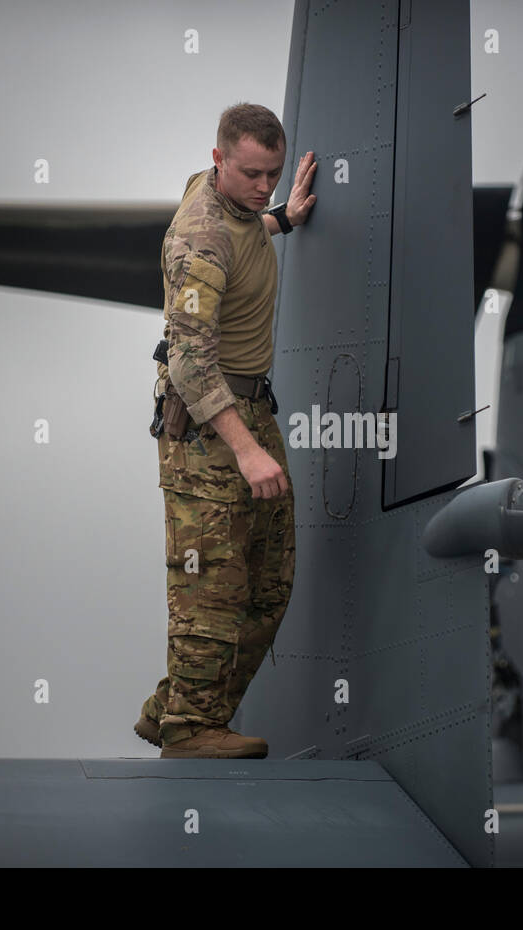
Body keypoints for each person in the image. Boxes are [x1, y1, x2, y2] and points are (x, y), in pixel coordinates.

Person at [135, 103, 317, 758]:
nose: (263, 184)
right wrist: (246, 452)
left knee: (270, 579)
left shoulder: (231, 205)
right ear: (219, 161)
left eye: (272, 173)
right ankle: (188, 730)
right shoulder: (200, 240)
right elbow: (188, 361)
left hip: (250, 409)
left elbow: (247, 225)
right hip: (206, 428)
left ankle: (177, 706)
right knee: (212, 581)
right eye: (251, 174)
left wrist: (282, 220)